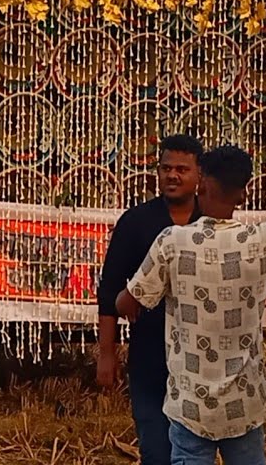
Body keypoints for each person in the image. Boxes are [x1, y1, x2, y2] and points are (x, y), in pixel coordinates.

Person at [115, 146, 266, 465]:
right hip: (244, 402)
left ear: (201, 183)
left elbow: (125, 303)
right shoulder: (263, 240)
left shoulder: (172, 242)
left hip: (191, 404)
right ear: (242, 195)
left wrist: (132, 300)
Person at [96, 134, 204, 465]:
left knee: (193, 451)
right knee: (156, 448)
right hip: (149, 355)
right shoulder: (136, 222)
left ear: (200, 175)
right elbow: (110, 289)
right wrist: (106, 355)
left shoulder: (213, 225)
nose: (172, 176)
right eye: (166, 168)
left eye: (182, 169)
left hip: (201, 360)